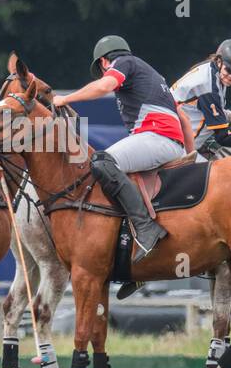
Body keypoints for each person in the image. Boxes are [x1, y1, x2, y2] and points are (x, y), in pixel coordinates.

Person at [52, 36, 185, 261]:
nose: (106, 73)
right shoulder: (153, 75)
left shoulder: (125, 62)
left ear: (105, 61)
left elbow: (104, 86)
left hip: (157, 137)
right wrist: (188, 155)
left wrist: (65, 99)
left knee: (101, 162)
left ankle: (146, 228)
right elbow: (184, 120)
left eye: (104, 69)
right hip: (168, 141)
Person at [171, 38, 231, 159]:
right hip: (177, 146)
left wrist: (226, 114)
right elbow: (223, 137)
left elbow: (200, 106)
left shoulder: (210, 69)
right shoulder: (209, 87)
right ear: (219, 61)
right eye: (229, 70)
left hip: (177, 137)